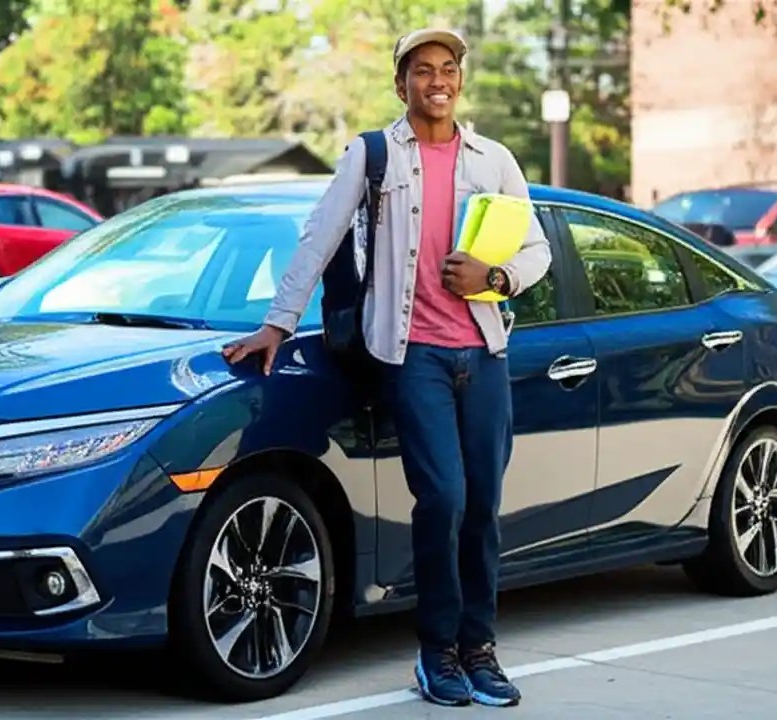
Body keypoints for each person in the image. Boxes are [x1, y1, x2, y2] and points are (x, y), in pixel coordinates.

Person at [221, 28, 551, 708]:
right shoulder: (373, 155)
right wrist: (278, 322)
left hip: (483, 351)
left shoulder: (494, 160)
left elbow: (537, 248)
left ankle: (478, 649)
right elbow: (320, 235)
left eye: (449, 68)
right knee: (445, 499)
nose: (438, 79)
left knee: (483, 506)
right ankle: (436, 654)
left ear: (460, 80)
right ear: (401, 84)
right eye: (423, 69)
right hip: (414, 355)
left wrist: (497, 275)